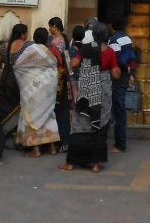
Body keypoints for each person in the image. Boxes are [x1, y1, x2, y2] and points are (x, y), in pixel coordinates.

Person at [59, 21, 119, 173]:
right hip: (103, 93)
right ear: (106, 35)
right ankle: (95, 164)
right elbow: (115, 74)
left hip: (87, 92)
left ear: (92, 35)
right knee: (99, 126)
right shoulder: (110, 52)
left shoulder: (86, 48)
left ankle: (71, 163)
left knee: (80, 125)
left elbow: (74, 64)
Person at [14, 28, 61, 157]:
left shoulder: (31, 49)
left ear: (34, 37)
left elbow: (18, 65)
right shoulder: (48, 51)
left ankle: (36, 150)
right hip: (47, 88)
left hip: (32, 88)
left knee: (32, 115)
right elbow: (54, 67)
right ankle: (52, 148)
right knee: (48, 115)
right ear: (46, 38)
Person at [0, 23, 29, 147]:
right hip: (18, 77)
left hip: (5, 76)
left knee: (5, 106)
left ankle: (4, 135)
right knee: (17, 106)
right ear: (22, 34)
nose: (27, 35)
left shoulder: (3, 46)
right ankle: (15, 139)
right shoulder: (27, 46)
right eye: (26, 33)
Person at [107, 17, 137, 154]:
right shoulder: (127, 38)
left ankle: (120, 144)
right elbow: (131, 58)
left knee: (118, 110)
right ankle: (120, 142)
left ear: (111, 25)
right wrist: (131, 74)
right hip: (125, 75)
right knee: (120, 109)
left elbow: (116, 60)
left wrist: (122, 71)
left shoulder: (113, 40)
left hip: (117, 76)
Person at [48, 17, 75, 151]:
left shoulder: (56, 41)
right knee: (62, 108)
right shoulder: (65, 39)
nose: (49, 29)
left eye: (50, 26)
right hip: (63, 76)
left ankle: (59, 140)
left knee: (58, 109)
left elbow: (51, 59)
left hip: (57, 76)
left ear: (54, 26)